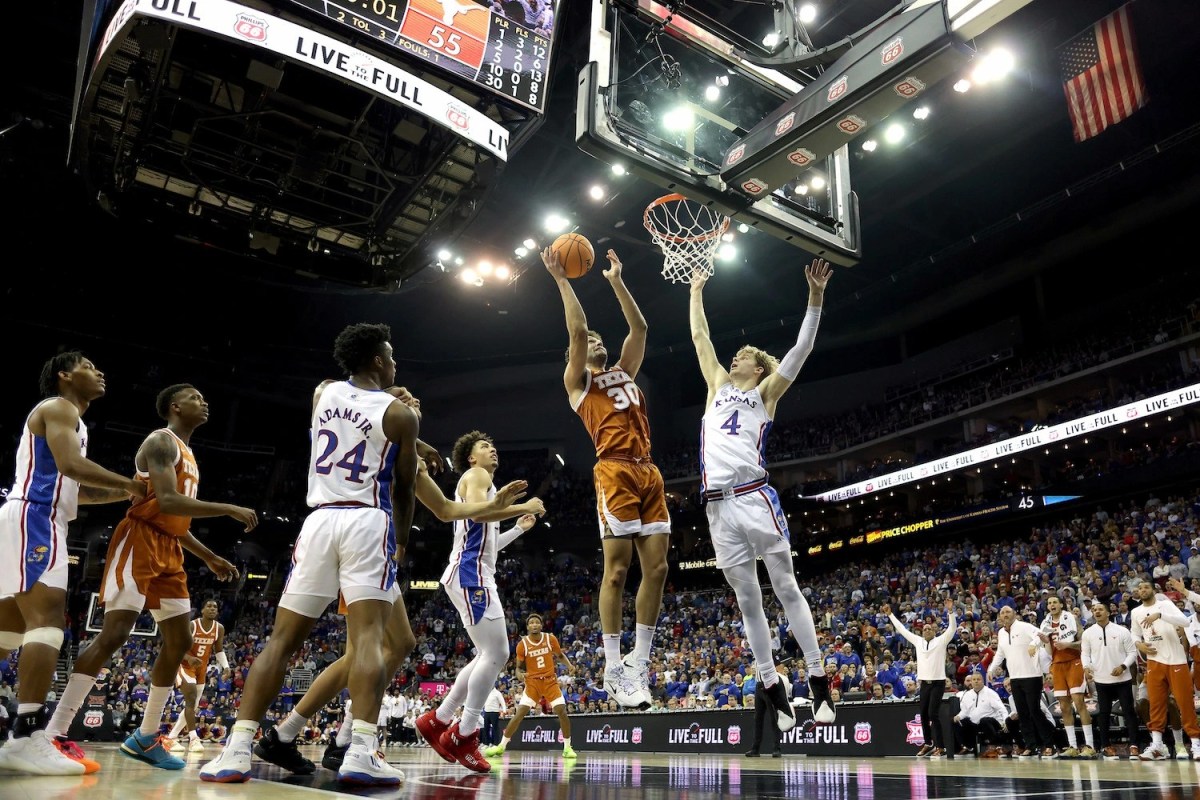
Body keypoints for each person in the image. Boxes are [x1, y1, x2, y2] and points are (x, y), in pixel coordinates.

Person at [200, 323, 420, 786]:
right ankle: (360, 751)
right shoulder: (401, 415)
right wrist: (400, 541)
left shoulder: (322, 393)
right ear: (378, 360)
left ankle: (236, 749)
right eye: (391, 355)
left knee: (281, 641)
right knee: (366, 642)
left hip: (319, 520)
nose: (396, 362)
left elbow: (353, 406)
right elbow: (403, 487)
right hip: (366, 521)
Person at [264, 412, 528, 776]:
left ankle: (339, 738)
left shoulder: (405, 455)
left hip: (373, 546)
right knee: (364, 651)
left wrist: (514, 523)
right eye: (407, 402)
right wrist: (516, 508)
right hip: (372, 544)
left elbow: (467, 525)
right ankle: (359, 740)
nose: (493, 451)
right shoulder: (467, 473)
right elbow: (451, 513)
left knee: (394, 645)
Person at [44, 384, 249, 770]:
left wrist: (209, 556)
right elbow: (168, 502)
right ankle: (55, 731)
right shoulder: (161, 441)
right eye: (195, 396)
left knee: (180, 638)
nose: (203, 401)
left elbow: (174, 519)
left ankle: (145, 736)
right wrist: (228, 508)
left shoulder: (190, 454)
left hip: (169, 548)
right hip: (138, 541)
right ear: (175, 406)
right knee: (116, 633)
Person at [687, 259, 834, 729]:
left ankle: (817, 678)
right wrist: (695, 290)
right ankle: (771, 683)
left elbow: (804, 347)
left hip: (753, 496)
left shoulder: (766, 392)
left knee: (785, 586)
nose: (734, 359)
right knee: (747, 601)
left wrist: (815, 296)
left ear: (758, 366)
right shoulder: (715, 387)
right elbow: (700, 339)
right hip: (716, 508)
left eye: (743, 356)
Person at [0, 351, 147, 776]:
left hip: (34, 516)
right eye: (88, 365)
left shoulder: (73, 421)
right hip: (36, 518)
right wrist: (127, 482)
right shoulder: (59, 406)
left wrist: (127, 493)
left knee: (8, 632)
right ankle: (25, 737)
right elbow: (70, 466)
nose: (100, 371)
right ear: (65, 375)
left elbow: (75, 490)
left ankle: (23, 737)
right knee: (47, 624)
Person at [545, 246, 667, 708]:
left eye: (599, 340)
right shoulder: (579, 384)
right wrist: (562, 279)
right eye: (590, 343)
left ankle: (638, 663)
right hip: (613, 470)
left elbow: (640, 328)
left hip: (647, 469)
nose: (595, 342)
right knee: (617, 572)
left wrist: (617, 281)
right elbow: (576, 329)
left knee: (657, 568)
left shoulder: (624, 370)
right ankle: (612, 666)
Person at [416, 431, 546, 772]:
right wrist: (524, 505)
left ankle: (439, 719)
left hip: (472, 571)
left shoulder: (485, 486)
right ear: (471, 458)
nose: (493, 450)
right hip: (471, 575)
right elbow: (477, 517)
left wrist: (517, 528)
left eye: (494, 445)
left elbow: (487, 544)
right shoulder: (476, 476)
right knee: (498, 653)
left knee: (487, 654)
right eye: (485, 446)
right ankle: (465, 732)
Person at [484, 612, 576, 760]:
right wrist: (520, 674)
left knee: (562, 711)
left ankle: (567, 747)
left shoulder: (550, 638)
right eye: (531, 622)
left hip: (550, 681)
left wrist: (569, 665)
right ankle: (501, 746)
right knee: (520, 713)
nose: (534, 624)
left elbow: (559, 656)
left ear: (541, 625)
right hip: (533, 683)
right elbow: (518, 668)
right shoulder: (522, 645)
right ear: (527, 627)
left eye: (537, 622)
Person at [1129, 580, 1200, 761]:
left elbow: (1184, 621)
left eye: (1146, 587)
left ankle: (1195, 744)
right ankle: (1158, 745)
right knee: (1156, 704)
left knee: (1185, 703)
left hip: (1176, 660)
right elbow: (1135, 633)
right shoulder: (1135, 612)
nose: (1143, 590)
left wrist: (1160, 615)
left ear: (1153, 589)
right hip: (1154, 661)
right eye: (1140, 588)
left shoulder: (1165, 605)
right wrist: (1139, 645)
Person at [886, 602, 956, 757]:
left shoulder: (941, 641)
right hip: (924, 683)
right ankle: (929, 743)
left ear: (934, 631)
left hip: (938, 682)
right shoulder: (918, 641)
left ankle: (941, 747)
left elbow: (952, 629)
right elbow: (902, 630)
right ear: (922, 632)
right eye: (924, 629)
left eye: (929, 628)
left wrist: (950, 611)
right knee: (923, 714)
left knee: (933, 714)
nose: (927, 630)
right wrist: (890, 615)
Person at [987, 606, 1057, 758]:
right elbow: (1000, 652)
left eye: (1008, 612)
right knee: (1023, 714)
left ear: (1015, 614)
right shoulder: (1000, 632)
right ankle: (1030, 746)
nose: (1005, 614)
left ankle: (1049, 745)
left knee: (1035, 711)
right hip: (1014, 678)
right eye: (1002, 612)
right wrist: (991, 669)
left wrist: (1033, 644)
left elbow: (1039, 635)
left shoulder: (1024, 626)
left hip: (1032, 676)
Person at [166, 598, 227, 754]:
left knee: (192, 706)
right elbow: (176, 646)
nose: (212, 608)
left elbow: (218, 650)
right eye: (209, 606)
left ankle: (170, 738)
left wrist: (226, 666)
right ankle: (194, 739)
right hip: (185, 666)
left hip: (201, 669)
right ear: (202, 610)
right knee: (191, 699)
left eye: (215, 606)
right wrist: (189, 658)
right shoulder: (192, 625)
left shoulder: (219, 628)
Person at [1039, 594, 1095, 757]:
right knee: (1064, 706)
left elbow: (1083, 642)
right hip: (1057, 664)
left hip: (1074, 661)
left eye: (1055, 602)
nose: (1052, 605)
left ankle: (1090, 746)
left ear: (1061, 605)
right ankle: (1072, 746)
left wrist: (1068, 644)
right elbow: (1047, 650)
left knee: (1079, 703)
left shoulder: (1070, 618)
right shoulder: (1045, 624)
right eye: (1049, 603)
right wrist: (1045, 642)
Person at [1080, 599, 1138, 759]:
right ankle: (1106, 746)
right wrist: (1085, 667)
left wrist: (1123, 666)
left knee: (1129, 711)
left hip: (1122, 679)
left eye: (1100, 609)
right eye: (1094, 610)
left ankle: (1134, 745)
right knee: (1103, 713)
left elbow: (1132, 653)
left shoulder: (1122, 631)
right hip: (1101, 679)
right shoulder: (1088, 633)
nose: (1097, 612)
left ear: (1108, 612)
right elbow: (1084, 653)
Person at [953, 673, 1010, 757]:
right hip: (975, 724)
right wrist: (958, 716)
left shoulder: (990, 693)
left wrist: (1005, 721)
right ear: (971, 682)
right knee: (961, 721)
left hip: (992, 722)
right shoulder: (967, 695)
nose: (976, 681)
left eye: (978, 679)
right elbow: (964, 711)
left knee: (984, 720)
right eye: (974, 680)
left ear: (982, 681)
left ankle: (994, 746)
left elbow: (1002, 709)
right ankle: (969, 747)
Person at [745, 662, 792, 757]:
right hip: (758, 685)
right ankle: (755, 749)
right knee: (757, 719)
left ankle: (777, 748)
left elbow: (780, 668)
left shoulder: (770, 652)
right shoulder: (756, 656)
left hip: (770, 685)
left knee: (774, 718)